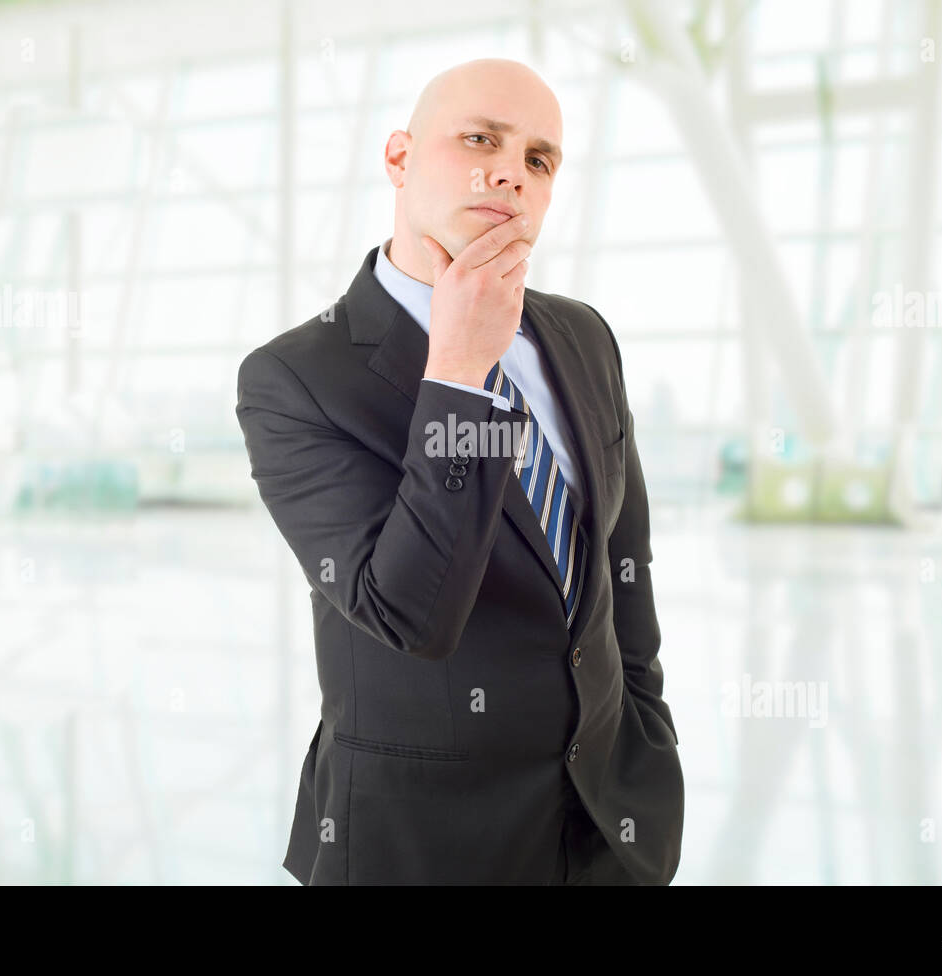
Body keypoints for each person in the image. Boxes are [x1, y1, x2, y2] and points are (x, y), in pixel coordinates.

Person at [236, 57, 682, 884]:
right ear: (399, 159)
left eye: (539, 160)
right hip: (419, 847)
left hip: (608, 835)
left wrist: (649, 746)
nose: (510, 171)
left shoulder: (583, 337)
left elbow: (624, 577)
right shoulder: (296, 378)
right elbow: (409, 612)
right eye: (481, 139)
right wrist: (459, 376)